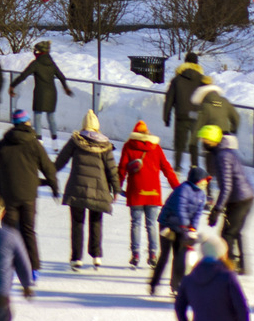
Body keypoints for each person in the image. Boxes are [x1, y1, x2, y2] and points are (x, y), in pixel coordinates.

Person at [0, 108, 60, 275]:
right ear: (26, 122)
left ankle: (8, 265)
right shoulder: (33, 142)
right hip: (29, 195)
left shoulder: (3, 143)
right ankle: (33, 268)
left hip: (9, 195)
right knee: (28, 230)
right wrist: (54, 187)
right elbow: (48, 167)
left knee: (9, 231)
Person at [55, 109, 119, 270]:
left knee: (77, 223)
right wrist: (116, 189)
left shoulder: (75, 140)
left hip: (77, 188)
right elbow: (111, 169)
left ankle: (77, 258)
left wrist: (49, 173)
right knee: (96, 221)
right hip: (99, 189)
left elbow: (61, 160)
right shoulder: (105, 145)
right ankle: (96, 255)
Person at [174, 235, 250, 321]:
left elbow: (179, 307)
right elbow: (241, 307)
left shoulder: (190, 278)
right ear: (221, 254)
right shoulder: (227, 277)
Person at [118, 120, 179, 268]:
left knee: (136, 224)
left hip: (136, 192)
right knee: (151, 225)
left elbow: (122, 169)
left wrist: (117, 187)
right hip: (152, 193)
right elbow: (166, 168)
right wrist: (177, 187)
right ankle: (152, 254)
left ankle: (136, 253)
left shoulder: (128, 146)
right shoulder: (155, 147)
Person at [200, 125, 254, 275]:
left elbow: (227, 187)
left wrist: (217, 209)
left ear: (212, 140)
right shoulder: (225, 152)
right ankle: (240, 266)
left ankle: (228, 268)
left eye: (205, 140)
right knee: (234, 231)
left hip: (240, 199)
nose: (203, 143)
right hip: (244, 197)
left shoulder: (222, 156)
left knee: (227, 235)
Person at [150, 167, 210, 297]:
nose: (205, 183)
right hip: (167, 225)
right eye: (204, 180)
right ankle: (154, 284)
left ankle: (176, 286)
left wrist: (193, 228)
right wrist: (185, 227)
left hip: (182, 227)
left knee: (180, 256)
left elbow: (198, 213)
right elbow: (180, 209)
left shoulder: (201, 194)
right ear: (196, 180)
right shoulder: (183, 189)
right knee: (165, 256)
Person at [8, 41, 72, 142]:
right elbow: (61, 77)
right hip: (52, 94)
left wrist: (12, 85)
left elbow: (23, 75)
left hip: (40, 93)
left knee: (37, 117)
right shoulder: (51, 63)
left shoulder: (36, 63)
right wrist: (66, 88)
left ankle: (39, 140)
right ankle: (55, 142)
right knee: (51, 117)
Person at [163, 54, 207, 170]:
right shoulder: (202, 80)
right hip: (196, 116)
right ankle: (194, 165)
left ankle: (177, 166)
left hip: (181, 116)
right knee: (194, 144)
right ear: (197, 63)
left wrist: (166, 117)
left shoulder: (177, 79)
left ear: (185, 62)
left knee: (179, 144)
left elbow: (169, 100)